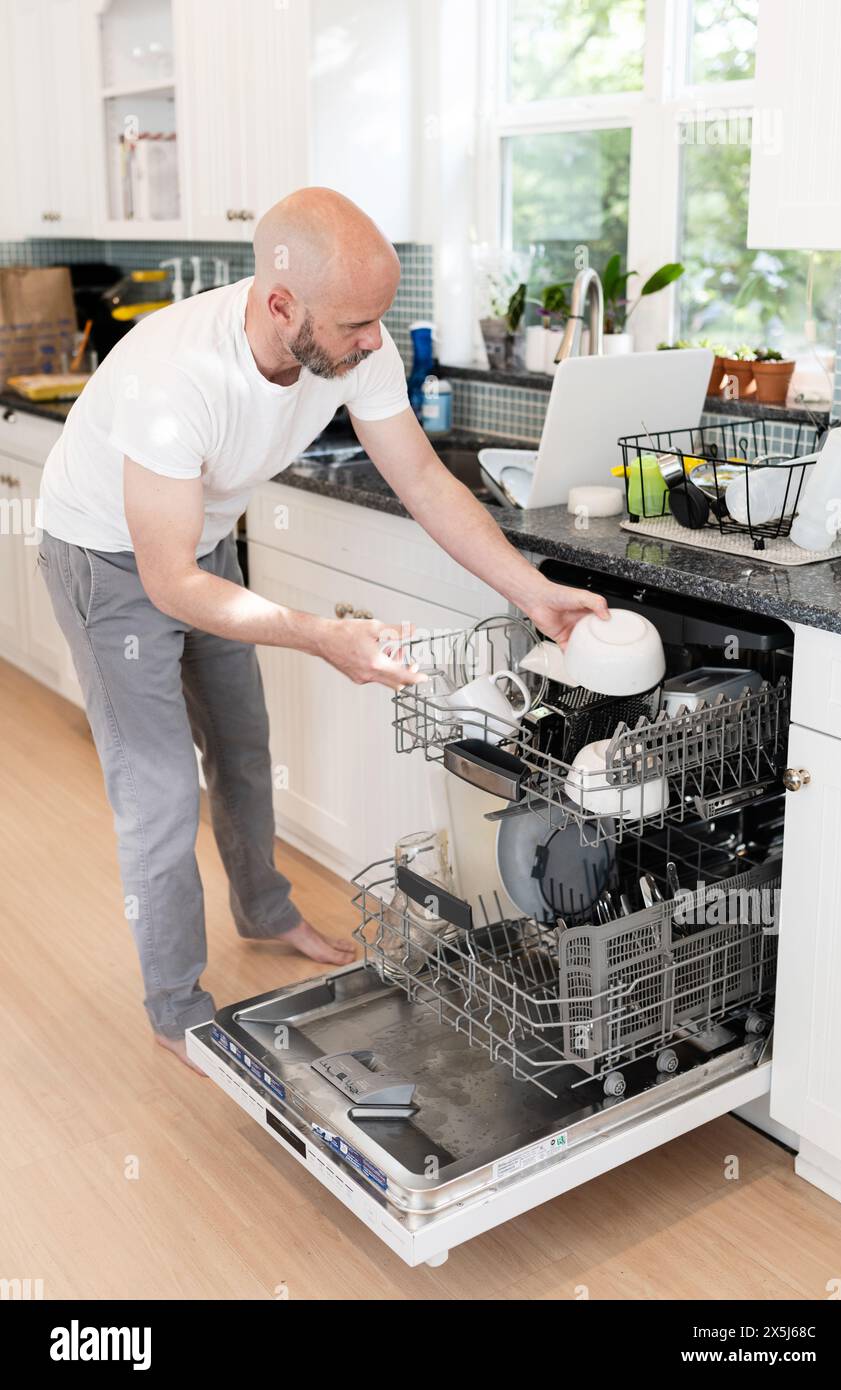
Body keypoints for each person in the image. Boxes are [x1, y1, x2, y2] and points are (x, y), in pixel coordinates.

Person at [38, 187, 608, 1070]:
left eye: (379, 320)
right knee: (156, 792)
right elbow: (166, 582)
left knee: (243, 740)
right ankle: (174, 1003)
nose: (374, 341)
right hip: (108, 559)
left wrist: (534, 591)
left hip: (196, 545)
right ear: (280, 305)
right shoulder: (172, 374)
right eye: (355, 324)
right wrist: (318, 635)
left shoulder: (350, 342)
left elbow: (425, 483)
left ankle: (263, 909)